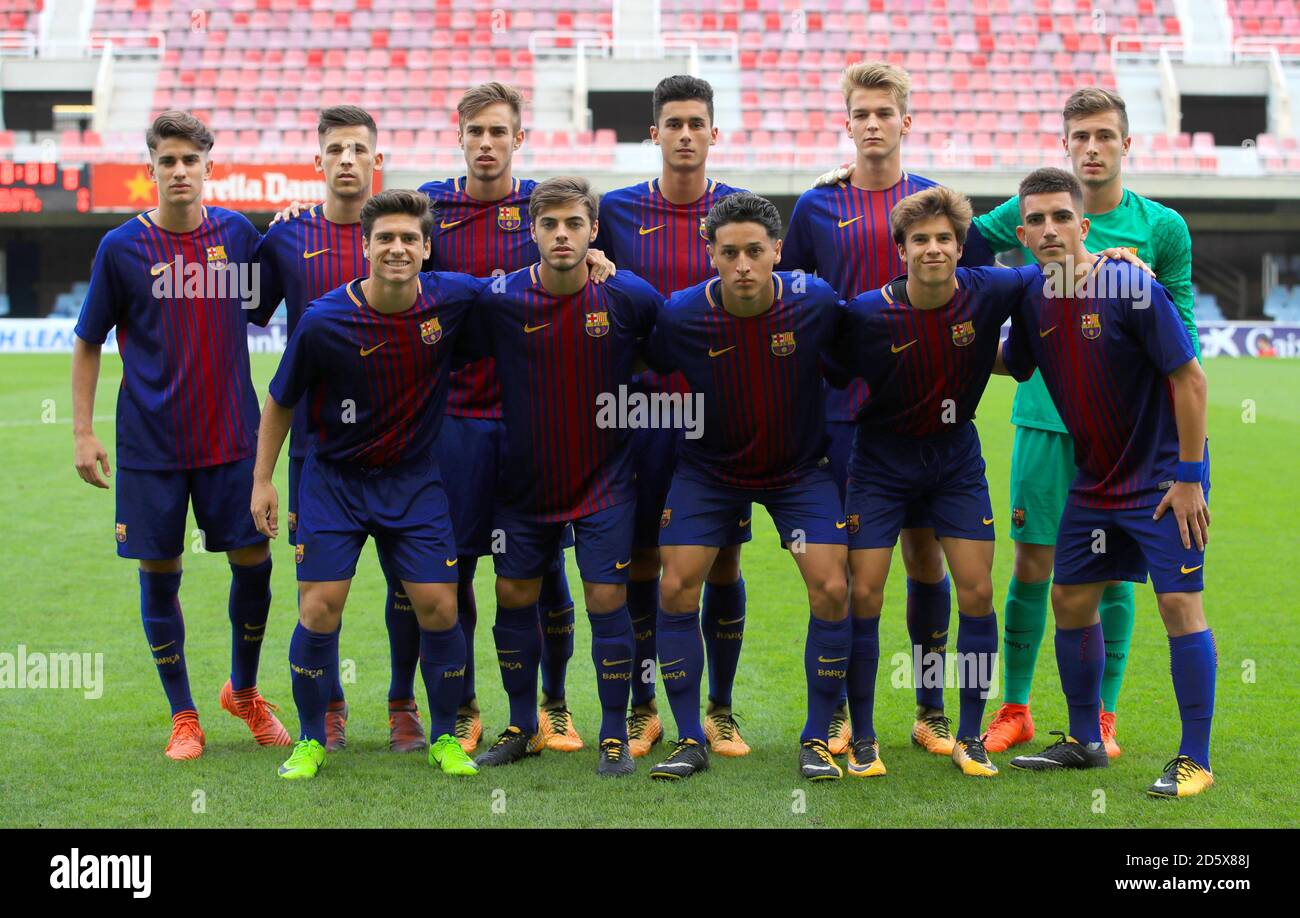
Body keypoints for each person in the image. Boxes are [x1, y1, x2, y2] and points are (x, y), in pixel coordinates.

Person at [72, 111, 286, 761]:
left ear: (208, 168)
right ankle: (184, 715)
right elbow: (87, 341)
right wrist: (82, 433)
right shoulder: (120, 248)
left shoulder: (235, 236)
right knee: (160, 571)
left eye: (190, 160)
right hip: (151, 447)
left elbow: (275, 298)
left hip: (231, 442)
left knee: (254, 565)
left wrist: (292, 230)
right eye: (167, 161)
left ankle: (243, 692)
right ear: (152, 170)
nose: (180, 171)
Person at [251, 189, 485, 781]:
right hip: (334, 481)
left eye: (409, 238)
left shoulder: (453, 299)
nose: (398, 248)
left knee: (439, 606)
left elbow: (531, 284)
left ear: (428, 248)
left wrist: (593, 261)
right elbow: (280, 401)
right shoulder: (324, 320)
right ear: (365, 247)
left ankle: (444, 738)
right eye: (385, 238)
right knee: (319, 609)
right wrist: (262, 481)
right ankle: (311, 739)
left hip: (413, 481)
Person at [996, 168, 1215, 798]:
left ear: (1083, 225)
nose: (1049, 229)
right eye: (1035, 220)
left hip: (1164, 478)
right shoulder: (1034, 300)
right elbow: (1008, 360)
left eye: (1061, 217)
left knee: (1178, 605)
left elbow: (1191, 380)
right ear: (1023, 233)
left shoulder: (1131, 285)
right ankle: (1086, 739)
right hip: (1096, 480)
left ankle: (1194, 758)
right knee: (1070, 599)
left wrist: (1190, 478)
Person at [644, 193, 851, 782]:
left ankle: (817, 737)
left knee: (832, 587)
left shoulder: (814, 302)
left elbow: (855, 351)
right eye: (729, 252)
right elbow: (643, 359)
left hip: (798, 472)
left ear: (777, 253)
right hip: (709, 471)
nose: (742, 265)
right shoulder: (681, 315)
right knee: (678, 585)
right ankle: (689, 738)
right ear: (710, 254)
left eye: (755, 252)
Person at [465, 177, 664, 776]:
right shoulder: (499, 299)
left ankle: (610, 732)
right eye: (549, 223)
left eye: (574, 224)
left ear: (594, 231)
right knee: (512, 596)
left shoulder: (628, 296)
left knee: (608, 599)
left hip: (605, 480)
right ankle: (524, 725)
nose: (561, 233)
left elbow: (674, 350)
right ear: (532, 230)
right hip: (523, 484)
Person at [594, 74, 751, 759]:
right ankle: (644, 706)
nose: (685, 134)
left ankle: (719, 708)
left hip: (724, 414)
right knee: (643, 561)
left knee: (720, 560)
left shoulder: (741, 214)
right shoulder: (618, 212)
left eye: (697, 123)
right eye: (673, 123)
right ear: (653, 134)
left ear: (715, 134)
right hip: (642, 413)